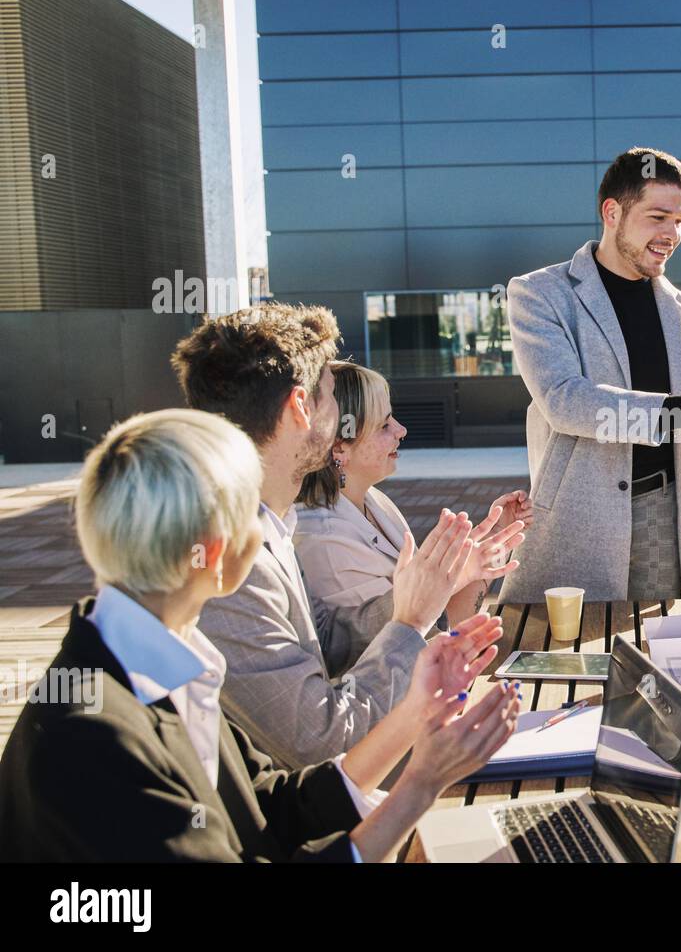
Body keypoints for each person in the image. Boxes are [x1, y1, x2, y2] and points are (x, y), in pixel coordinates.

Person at [0, 409, 520, 861]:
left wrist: (415, 714)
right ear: (213, 547)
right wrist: (420, 786)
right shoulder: (95, 738)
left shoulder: (159, 658)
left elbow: (272, 804)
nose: (269, 532)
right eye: (252, 513)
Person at [171, 304, 495, 769]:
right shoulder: (227, 568)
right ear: (302, 408)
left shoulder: (272, 524)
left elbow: (328, 641)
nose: (342, 415)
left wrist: (420, 599)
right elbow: (317, 742)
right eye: (330, 397)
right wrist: (408, 625)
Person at [499, 147, 681, 605]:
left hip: (668, 514)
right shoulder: (539, 294)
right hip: (579, 518)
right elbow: (566, 402)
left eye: (679, 221)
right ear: (612, 212)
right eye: (658, 217)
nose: (672, 234)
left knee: (652, 654)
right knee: (564, 656)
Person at [294, 361, 531, 623]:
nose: (401, 430)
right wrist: (460, 572)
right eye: (383, 426)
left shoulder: (373, 503)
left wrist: (494, 542)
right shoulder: (327, 544)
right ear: (339, 448)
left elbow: (443, 622)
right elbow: (399, 645)